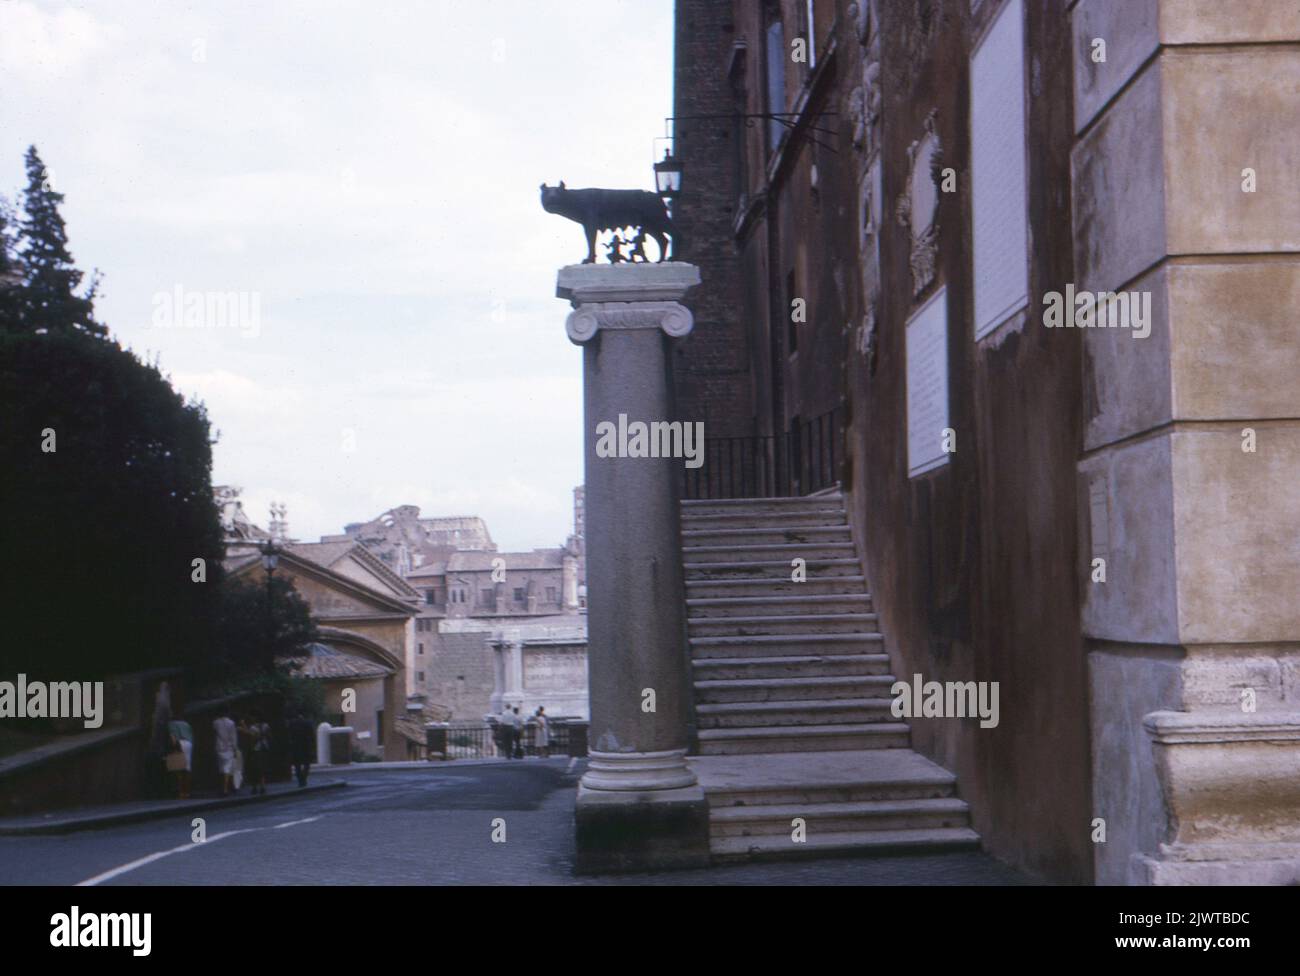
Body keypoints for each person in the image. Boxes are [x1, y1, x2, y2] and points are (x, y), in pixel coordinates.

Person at [213, 708, 238, 796]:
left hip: (219, 747)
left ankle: (225, 787)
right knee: (228, 768)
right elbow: (233, 737)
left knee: (222, 768)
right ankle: (226, 788)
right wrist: (235, 749)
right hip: (229, 747)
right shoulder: (231, 723)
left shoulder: (215, 722)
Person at [166, 718, 194, 799]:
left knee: (179, 768)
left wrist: (173, 748)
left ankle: (181, 792)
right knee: (187, 768)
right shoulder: (186, 723)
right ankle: (187, 792)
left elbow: (173, 738)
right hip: (189, 744)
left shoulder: (171, 724)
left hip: (179, 744)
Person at [245, 712, 271, 795]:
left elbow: (251, 740)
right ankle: (262, 786)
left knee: (254, 769)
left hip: (256, 750)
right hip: (264, 749)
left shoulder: (252, 728)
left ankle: (255, 787)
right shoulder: (266, 726)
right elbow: (269, 736)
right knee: (262, 768)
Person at [288, 711, 315, 788]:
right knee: (307, 764)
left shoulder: (292, 723)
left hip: (296, 747)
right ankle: (304, 777)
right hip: (306, 746)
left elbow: (289, 736)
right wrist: (312, 746)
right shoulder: (308, 723)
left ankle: (300, 780)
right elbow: (312, 736)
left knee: (297, 765)